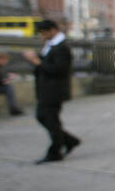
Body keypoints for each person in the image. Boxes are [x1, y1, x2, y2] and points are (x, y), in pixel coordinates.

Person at [22, 20, 81, 164]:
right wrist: (36, 60)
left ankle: (56, 151)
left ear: (52, 30)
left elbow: (58, 70)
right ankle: (69, 140)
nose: (42, 36)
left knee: (50, 120)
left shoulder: (62, 47)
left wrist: (36, 61)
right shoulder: (52, 46)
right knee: (43, 117)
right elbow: (47, 64)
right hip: (46, 90)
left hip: (54, 90)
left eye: (43, 32)